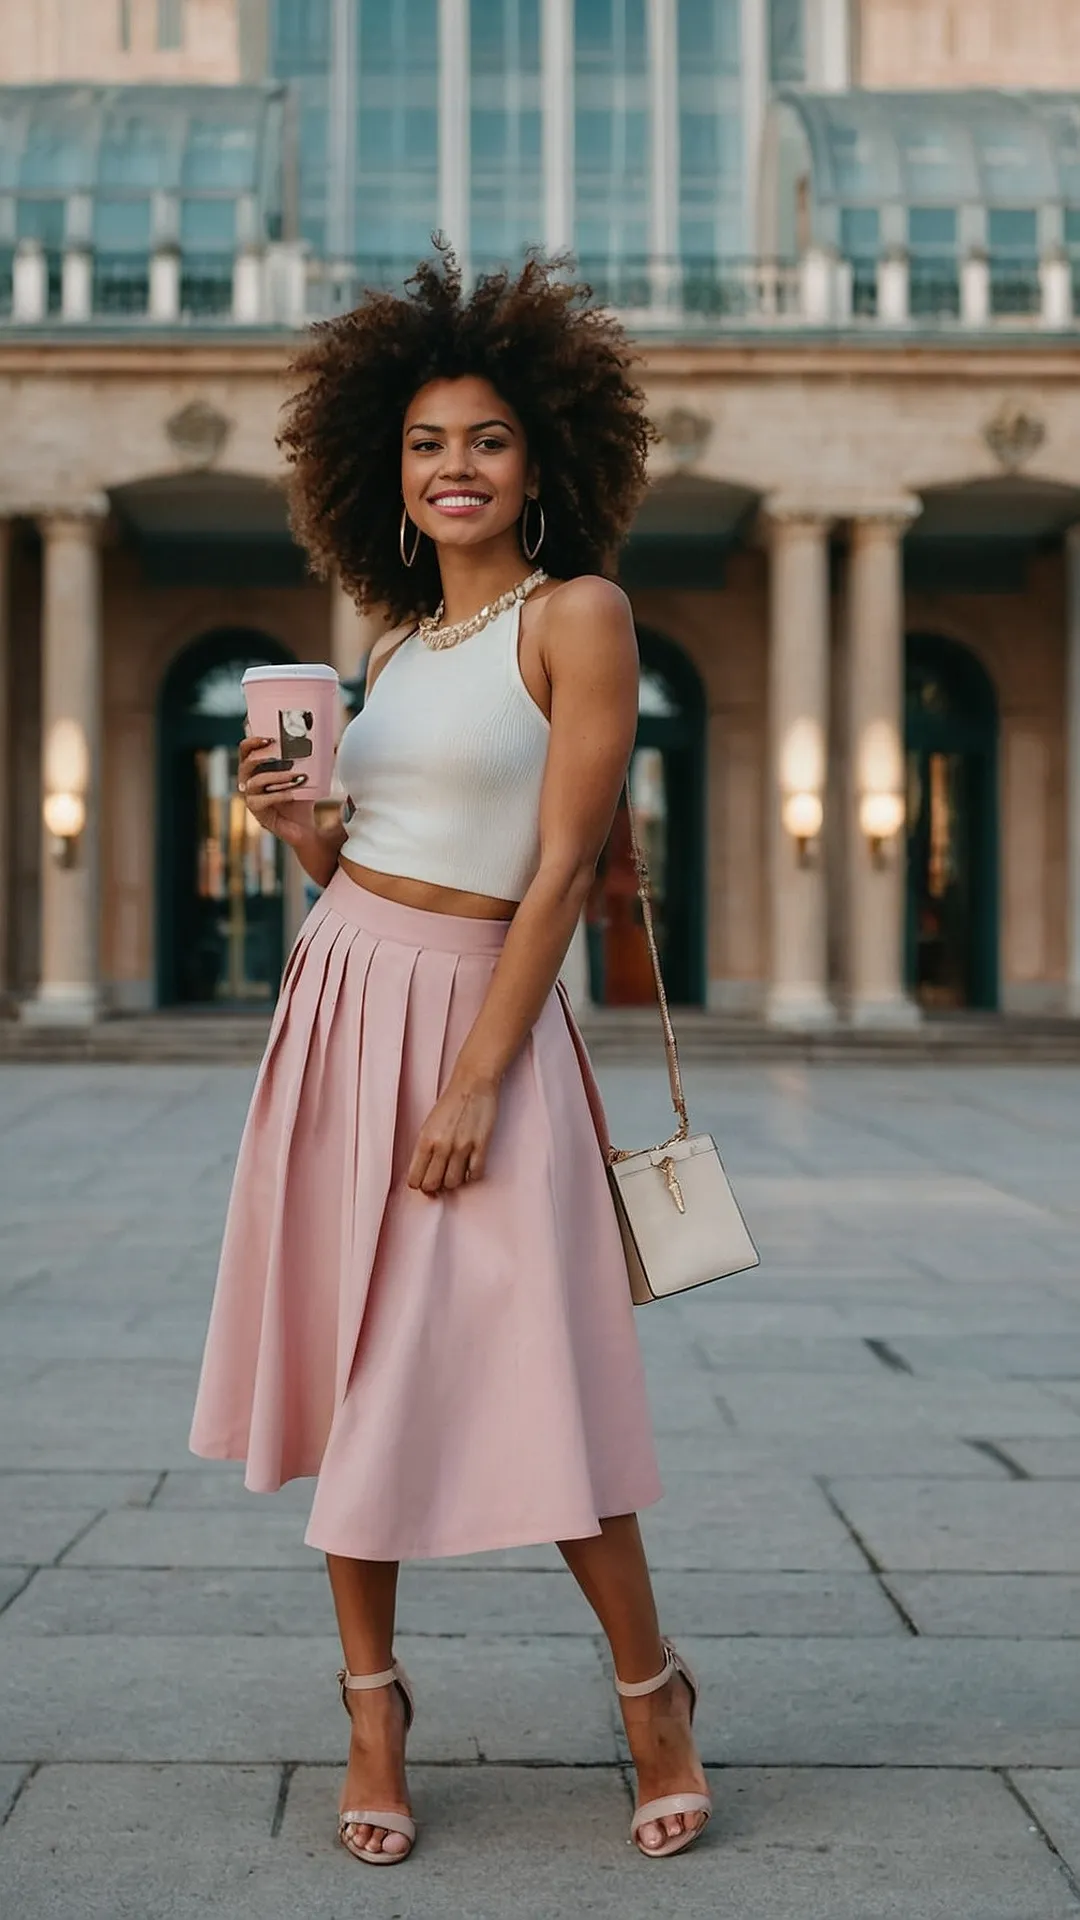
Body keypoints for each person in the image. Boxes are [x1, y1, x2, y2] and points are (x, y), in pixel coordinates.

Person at [188, 252, 710, 1867]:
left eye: (485, 439)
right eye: (426, 444)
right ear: (387, 473)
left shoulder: (582, 618)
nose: (456, 468)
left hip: (488, 1017)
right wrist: (299, 838)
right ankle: (372, 1707)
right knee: (354, 1374)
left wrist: (480, 1075)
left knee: (531, 1366)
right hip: (342, 1001)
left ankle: (652, 1693)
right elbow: (375, 865)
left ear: (541, 459)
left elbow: (559, 868)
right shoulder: (397, 646)